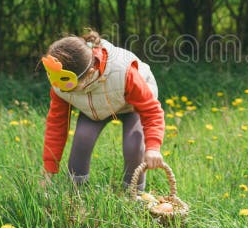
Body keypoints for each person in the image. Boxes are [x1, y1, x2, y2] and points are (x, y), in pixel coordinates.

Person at [40, 29, 165, 188]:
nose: (60, 89)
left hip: (130, 106)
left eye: (68, 86)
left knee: (134, 145)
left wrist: (153, 148)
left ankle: (133, 194)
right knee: (83, 138)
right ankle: (76, 191)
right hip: (95, 110)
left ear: (89, 74)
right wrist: (49, 168)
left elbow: (152, 111)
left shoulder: (124, 73)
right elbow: (56, 125)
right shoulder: (61, 86)